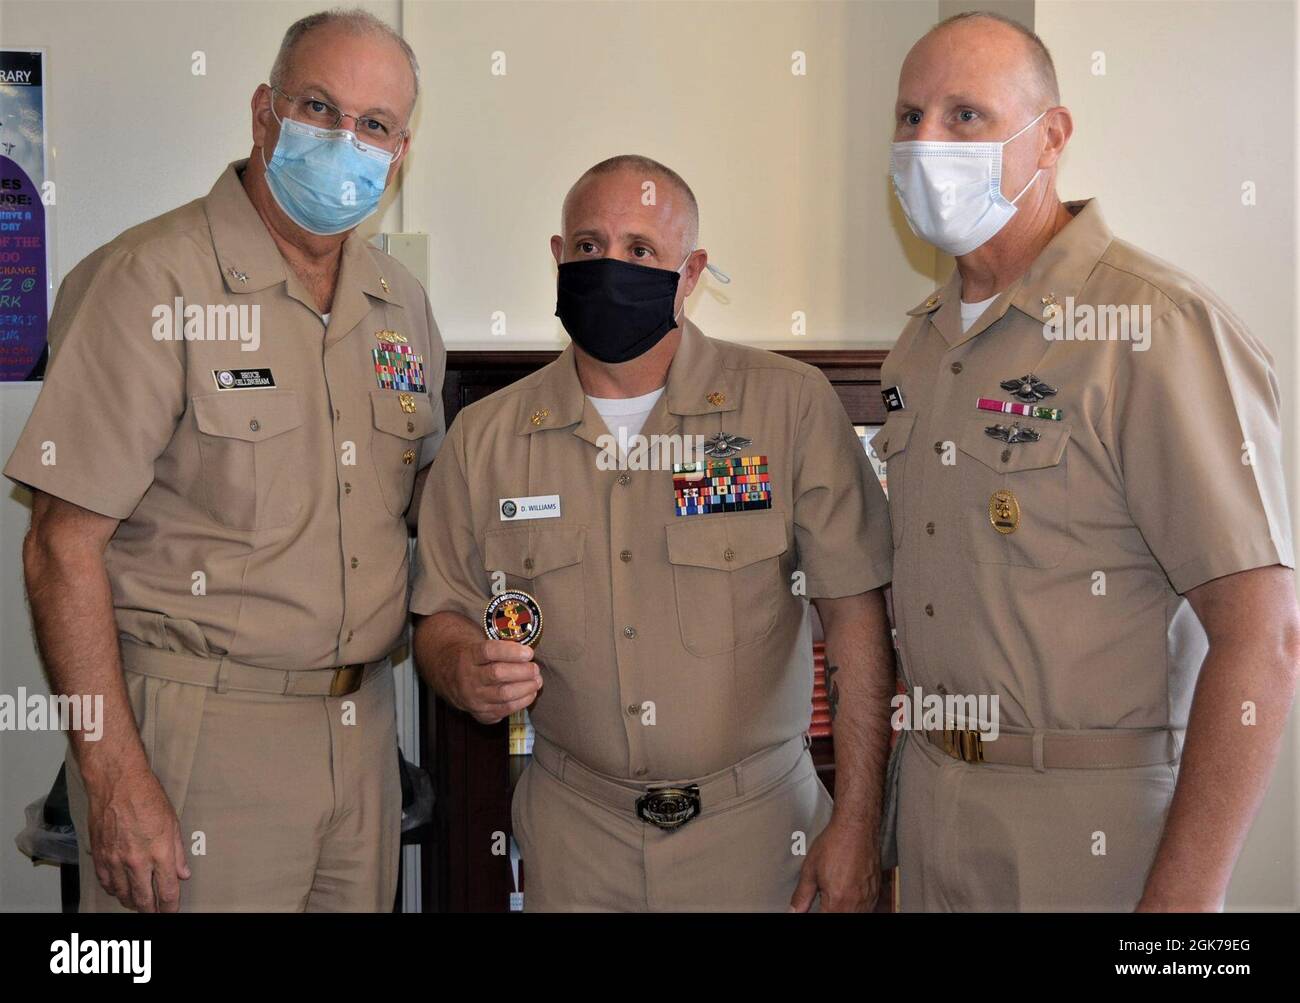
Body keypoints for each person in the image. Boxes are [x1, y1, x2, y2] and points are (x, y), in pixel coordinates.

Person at [4, 8, 445, 912]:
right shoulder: (149, 280)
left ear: (400, 153)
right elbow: (60, 547)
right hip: (196, 737)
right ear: (263, 113)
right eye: (319, 107)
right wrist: (114, 775)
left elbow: (425, 508)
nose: (344, 141)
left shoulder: (399, 304)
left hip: (362, 731)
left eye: (374, 125)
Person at [880, 11, 1298, 911]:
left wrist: (1182, 908)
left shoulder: (1153, 328)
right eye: (910, 116)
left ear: (1051, 138)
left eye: (965, 116)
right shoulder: (918, 348)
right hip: (937, 805)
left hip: (1092, 827)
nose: (925, 143)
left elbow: (1263, 636)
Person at [411, 154, 896, 911]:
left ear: (691, 272)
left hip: (761, 833)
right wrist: (461, 666)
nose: (610, 267)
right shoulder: (487, 438)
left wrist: (860, 824)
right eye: (588, 246)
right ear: (557, 256)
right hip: (576, 836)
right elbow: (439, 615)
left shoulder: (789, 410)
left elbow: (857, 620)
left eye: (640, 251)